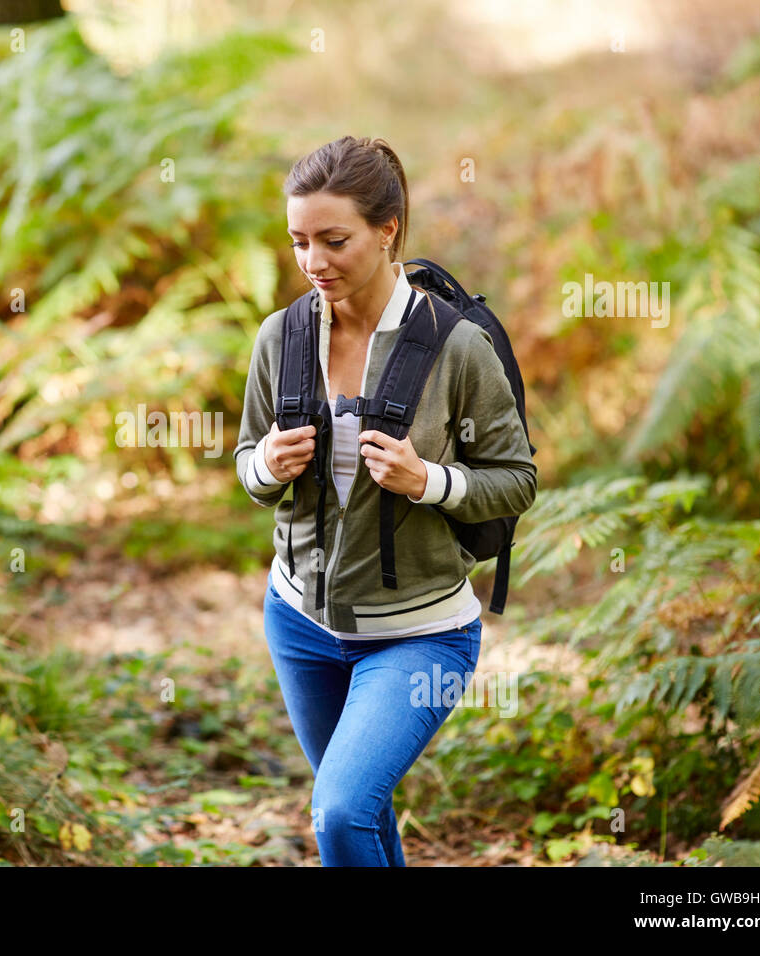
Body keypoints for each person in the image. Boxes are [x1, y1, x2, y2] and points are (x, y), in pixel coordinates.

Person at [233, 135, 537, 866]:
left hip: (418, 633)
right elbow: (246, 463)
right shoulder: (282, 336)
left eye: (334, 240)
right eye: (299, 241)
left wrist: (427, 480)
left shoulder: (457, 346)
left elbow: (517, 478)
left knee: (339, 814)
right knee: (364, 815)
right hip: (299, 623)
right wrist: (268, 464)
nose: (313, 262)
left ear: (387, 230)